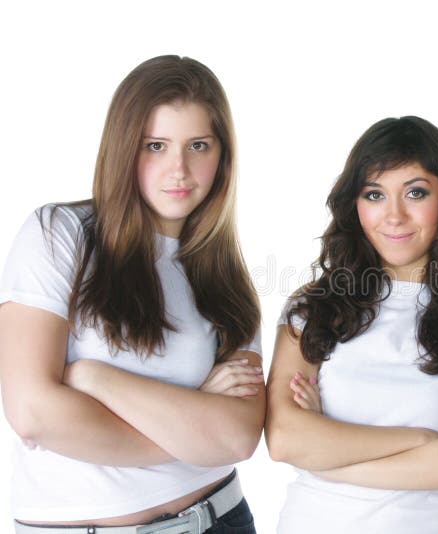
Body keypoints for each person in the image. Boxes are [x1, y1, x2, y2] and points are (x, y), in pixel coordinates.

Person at [0, 55, 265, 533]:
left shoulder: (224, 274)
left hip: (219, 518)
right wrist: (192, 425)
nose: (178, 169)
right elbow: (33, 412)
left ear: (222, 155)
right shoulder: (59, 235)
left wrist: (93, 378)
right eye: (156, 146)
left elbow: (238, 436)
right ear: (124, 147)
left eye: (198, 145)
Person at [265, 116, 438, 533]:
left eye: (415, 192)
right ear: (355, 206)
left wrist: (330, 452)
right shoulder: (314, 310)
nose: (394, 215)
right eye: (375, 194)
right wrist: (422, 442)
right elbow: (286, 440)